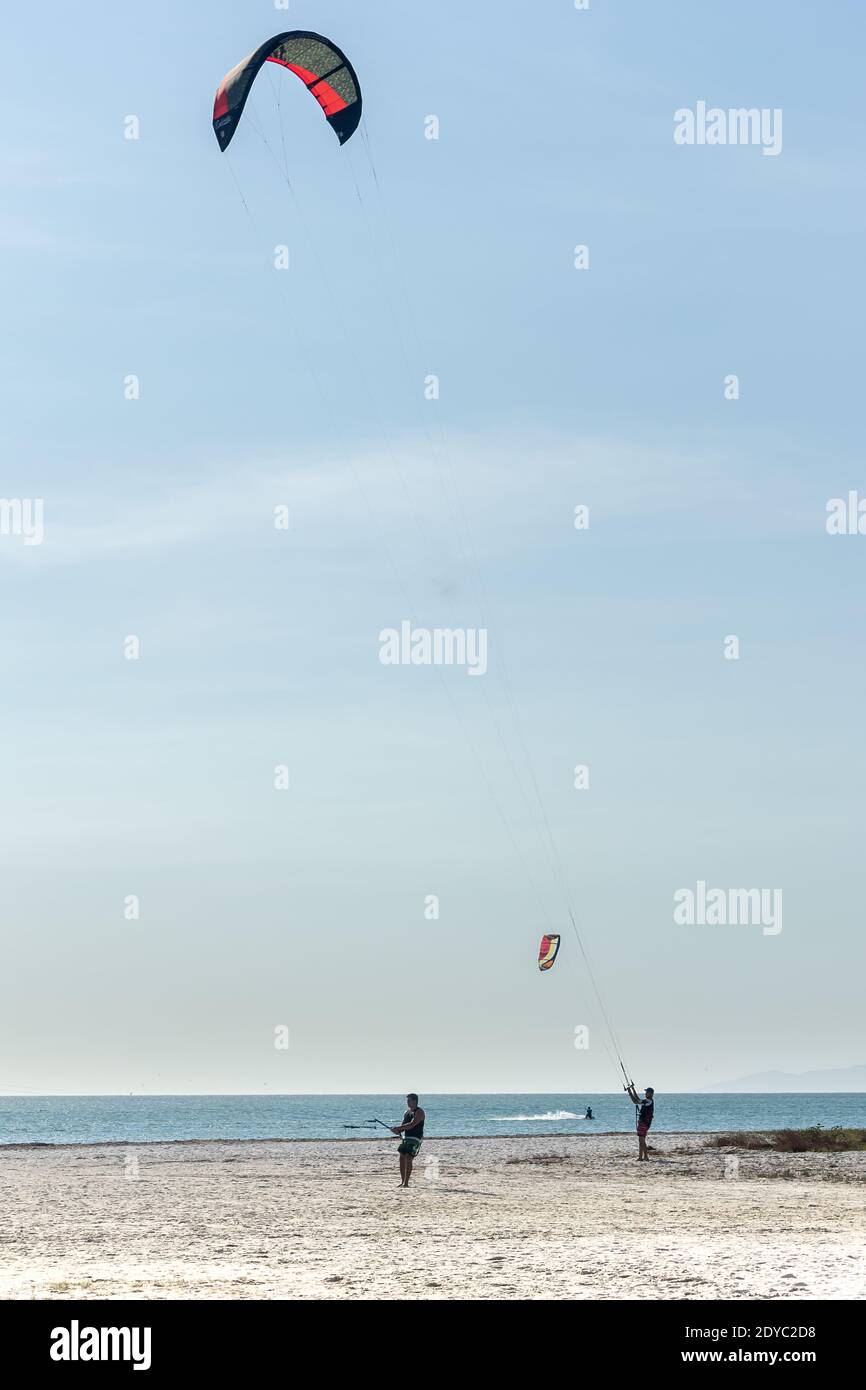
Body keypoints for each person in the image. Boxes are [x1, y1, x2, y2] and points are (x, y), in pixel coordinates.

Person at [391, 1093, 425, 1188]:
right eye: (407, 1100)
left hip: (416, 1138)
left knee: (409, 1157)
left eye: (409, 1100)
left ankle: (406, 1183)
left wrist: (398, 1128)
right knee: (402, 1157)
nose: (407, 1102)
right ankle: (402, 1182)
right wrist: (396, 1130)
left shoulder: (419, 1112)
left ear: (414, 1101)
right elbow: (402, 1128)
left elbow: (412, 1124)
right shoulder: (407, 1112)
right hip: (407, 1138)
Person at [626, 1083, 655, 1160]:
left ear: (651, 1094)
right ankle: (640, 1157)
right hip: (645, 1123)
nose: (645, 1093)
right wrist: (633, 1089)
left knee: (641, 1140)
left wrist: (629, 1093)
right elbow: (638, 1099)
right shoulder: (648, 1101)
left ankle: (646, 1157)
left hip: (644, 1123)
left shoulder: (648, 1101)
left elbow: (635, 1102)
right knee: (641, 1140)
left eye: (647, 1092)